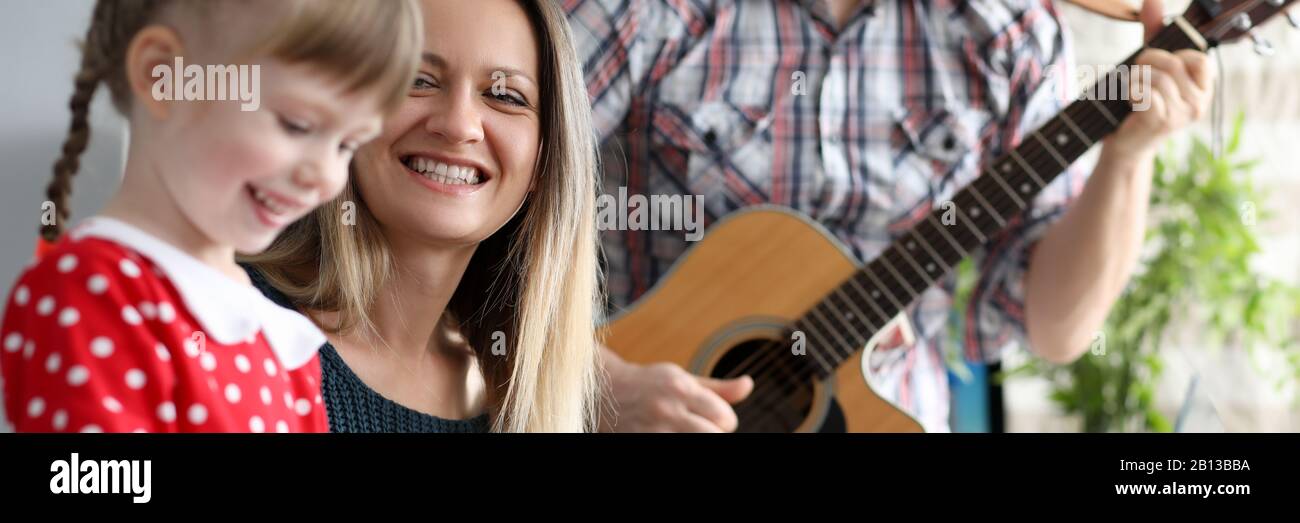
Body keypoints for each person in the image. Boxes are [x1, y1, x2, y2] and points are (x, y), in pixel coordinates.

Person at [567, 0, 1214, 431]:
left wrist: (1128, 156)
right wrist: (596, 383)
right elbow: (485, 207)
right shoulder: (653, 9)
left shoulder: (1012, 33)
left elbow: (1056, 328)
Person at [0, 0, 423, 432]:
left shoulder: (283, 338)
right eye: (296, 124)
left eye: (347, 146)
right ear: (163, 75)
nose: (325, 175)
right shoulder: (92, 291)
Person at [244, 0, 605, 432]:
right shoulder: (227, 320)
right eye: (416, 79)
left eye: (505, 96)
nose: (457, 125)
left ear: (544, 162)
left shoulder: (503, 396)